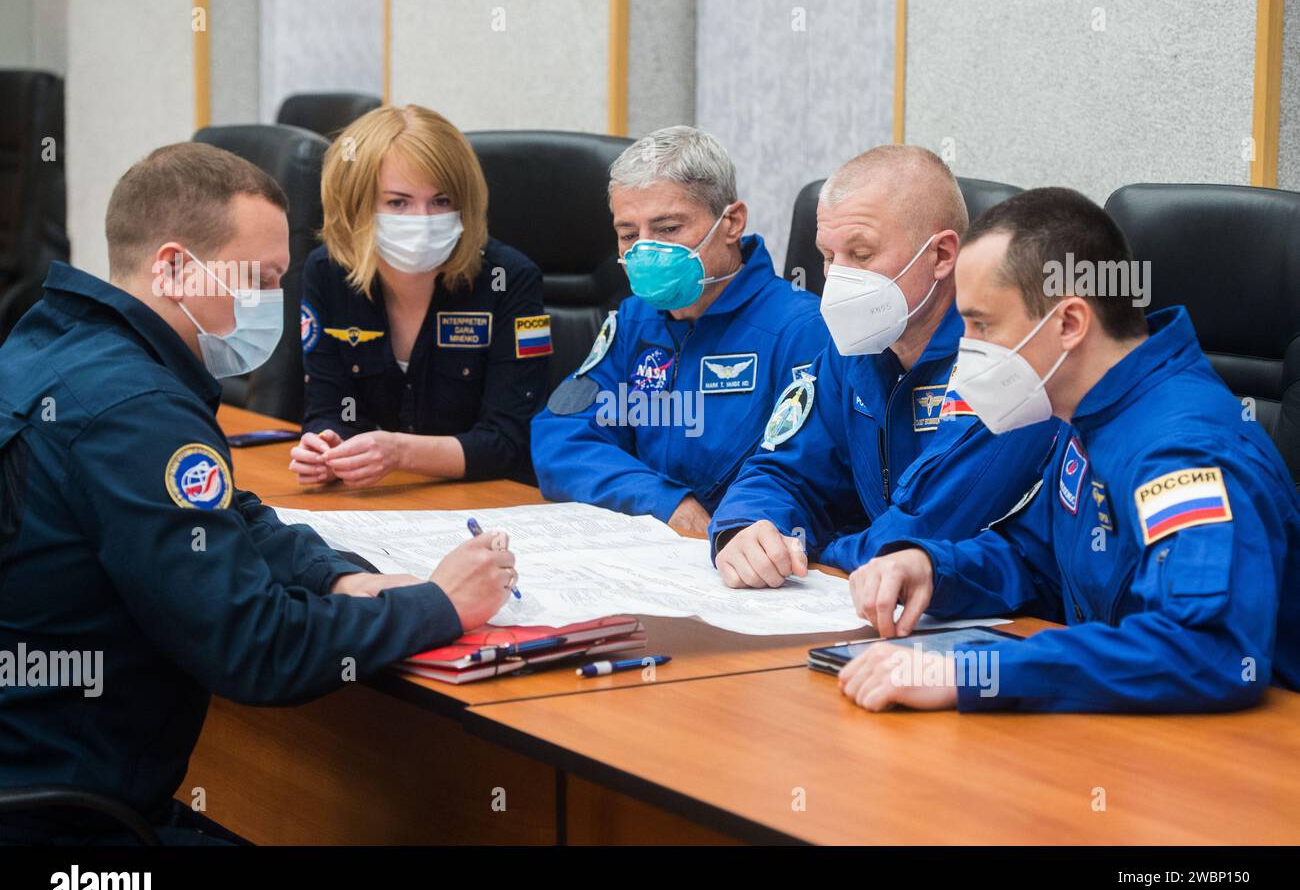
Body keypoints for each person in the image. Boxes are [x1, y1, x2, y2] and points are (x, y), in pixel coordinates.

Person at [0, 143, 515, 844]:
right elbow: (254, 646)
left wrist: (335, 577)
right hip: (65, 831)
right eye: (260, 278)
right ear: (174, 267)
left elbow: (223, 514)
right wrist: (437, 605)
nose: (273, 300)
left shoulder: (52, 340)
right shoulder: (134, 410)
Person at [838, 187, 1300, 713]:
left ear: (1069, 324)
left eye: (982, 324)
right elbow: (1040, 563)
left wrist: (976, 672)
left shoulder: (1186, 452)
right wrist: (932, 568)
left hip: (1238, 748)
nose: (966, 347)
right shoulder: (1089, 416)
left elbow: (1206, 649)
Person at [711, 146, 1057, 587]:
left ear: (941, 255)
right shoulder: (858, 345)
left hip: (1002, 615)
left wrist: (813, 549)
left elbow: (922, 532)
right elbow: (784, 468)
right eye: (828, 256)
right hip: (877, 601)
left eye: (861, 254)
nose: (837, 278)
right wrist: (747, 528)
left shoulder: (1006, 360)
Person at [530, 126, 828, 532]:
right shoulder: (634, 319)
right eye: (629, 235)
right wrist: (662, 501)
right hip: (653, 544)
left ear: (732, 222)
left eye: (668, 229)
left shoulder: (801, 329)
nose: (646, 250)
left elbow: (807, 477)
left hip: (749, 550)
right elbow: (560, 439)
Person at [291, 105, 548, 488]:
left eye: (441, 201)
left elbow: (511, 442)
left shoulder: (511, 278)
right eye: (398, 203)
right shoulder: (327, 272)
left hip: (486, 499)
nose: (423, 220)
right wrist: (328, 447)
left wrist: (399, 453)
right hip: (379, 500)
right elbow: (328, 408)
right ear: (356, 205)